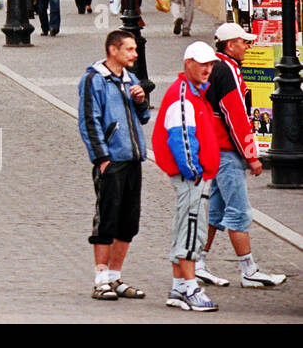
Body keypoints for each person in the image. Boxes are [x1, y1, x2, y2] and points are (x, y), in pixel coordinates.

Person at [194, 23, 287, 289]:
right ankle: (248, 270)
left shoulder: (214, 67)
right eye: (243, 42)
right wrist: (251, 155)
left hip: (214, 148)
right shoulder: (228, 70)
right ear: (229, 44)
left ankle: (199, 262)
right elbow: (234, 114)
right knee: (239, 210)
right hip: (226, 150)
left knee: (215, 210)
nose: (248, 46)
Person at [77, 30, 150, 300]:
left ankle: (115, 277)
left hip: (132, 158)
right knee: (106, 220)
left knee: (128, 222)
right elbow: (88, 120)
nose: (135, 54)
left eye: (134, 49)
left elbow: (142, 118)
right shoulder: (94, 80)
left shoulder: (130, 78)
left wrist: (141, 102)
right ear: (113, 50)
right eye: (130, 49)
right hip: (112, 160)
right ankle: (100, 279)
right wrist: (102, 158)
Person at [153, 42, 222, 312]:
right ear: (188, 63)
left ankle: (180, 286)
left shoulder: (192, 93)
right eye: (202, 63)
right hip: (192, 177)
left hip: (192, 175)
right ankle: (190, 287)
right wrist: (193, 171)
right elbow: (182, 140)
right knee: (192, 229)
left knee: (185, 225)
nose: (208, 69)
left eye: (210, 64)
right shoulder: (184, 97)